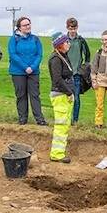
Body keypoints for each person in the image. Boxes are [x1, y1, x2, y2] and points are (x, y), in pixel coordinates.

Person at [8, 16, 46, 125]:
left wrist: (32, 67)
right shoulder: (14, 39)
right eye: (25, 25)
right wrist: (25, 67)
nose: (28, 26)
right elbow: (13, 54)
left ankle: (40, 120)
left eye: (29, 24)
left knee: (34, 95)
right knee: (21, 95)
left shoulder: (35, 39)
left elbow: (39, 54)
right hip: (18, 72)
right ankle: (22, 119)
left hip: (33, 72)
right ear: (19, 28)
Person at [47, 32, 75, 163]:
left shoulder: (63, 56)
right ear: (59, 45)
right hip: (60, 95)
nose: (68, 43)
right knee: (61, 125)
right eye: (66, 42)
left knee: (64, 125)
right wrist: (69, 92)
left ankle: (59, 152)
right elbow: (57, 79)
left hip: (65, 94)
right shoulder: (55, 59)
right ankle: (57, 154)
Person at [65, 17, 91, 125]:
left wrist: (83, 68)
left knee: (76, 98)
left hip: (76, 74)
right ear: (67, 27)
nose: (72, 30)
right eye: (70, 28)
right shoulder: (64, 40)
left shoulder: (81, 40)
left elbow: (87, 55)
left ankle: (75, 120)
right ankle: (66, 119)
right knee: (65, 98)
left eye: (74, 28)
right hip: (65, 73)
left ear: (77, 28)